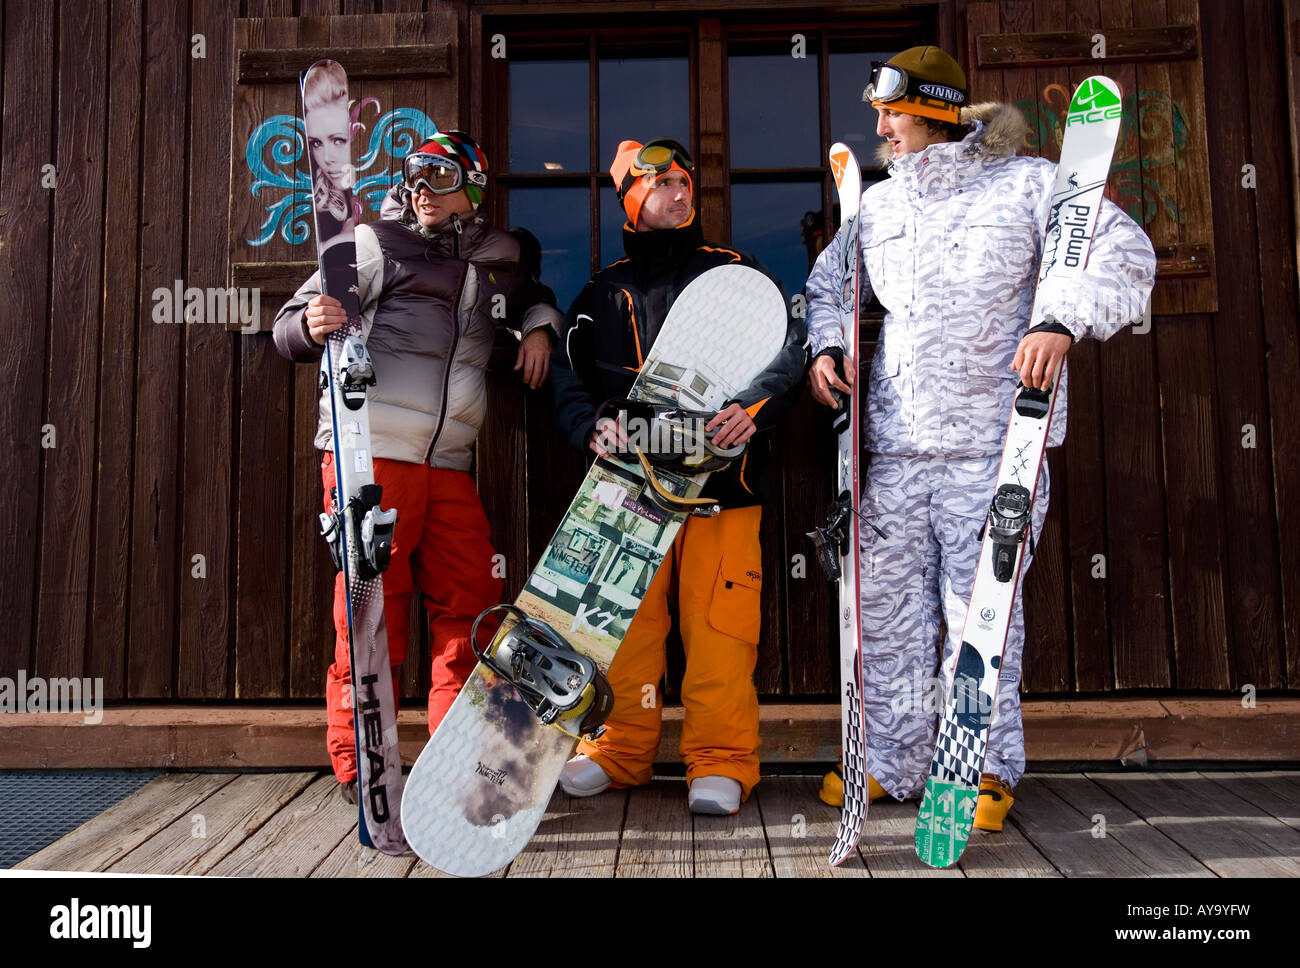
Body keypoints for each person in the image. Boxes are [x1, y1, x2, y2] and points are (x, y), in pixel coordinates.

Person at [804, 47, 1155, 830]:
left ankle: (984, 767)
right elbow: (829, 286)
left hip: (994, 448)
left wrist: (1062, 319)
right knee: (885, 617)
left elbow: (1128, 260)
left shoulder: (1031, 185)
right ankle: (891, 766)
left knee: (981, 617)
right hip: (892, 451)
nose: (881, 126)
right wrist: (827, 344)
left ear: (933, 111)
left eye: (891, 112)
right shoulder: (880, 206)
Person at [273, 130, 562, 803]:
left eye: (439, 177)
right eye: (415, 176)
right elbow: (290, 323)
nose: (424, 191)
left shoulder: (500, 255)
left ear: (474, 185)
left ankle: (453, 756)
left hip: (451, 463)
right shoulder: (373, 243)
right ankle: (361, 761)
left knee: (469, 606)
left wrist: (541, 326)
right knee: (372, 612)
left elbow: (530, 297)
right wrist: (309, 323)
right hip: (372, 455)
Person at [549, 138, 807, 815]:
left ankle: (721, 760)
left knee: (719, 630)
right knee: (626, 628)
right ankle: (620, 749)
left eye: (686, 183)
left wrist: (756, 410)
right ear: (632, 198)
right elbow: (564, 379)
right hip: (630, 489)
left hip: (724, 488)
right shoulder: (601, 293)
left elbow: (789, 350)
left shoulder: (735, 273)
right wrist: (592, 425)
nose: (681, 193)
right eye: (663, 183)